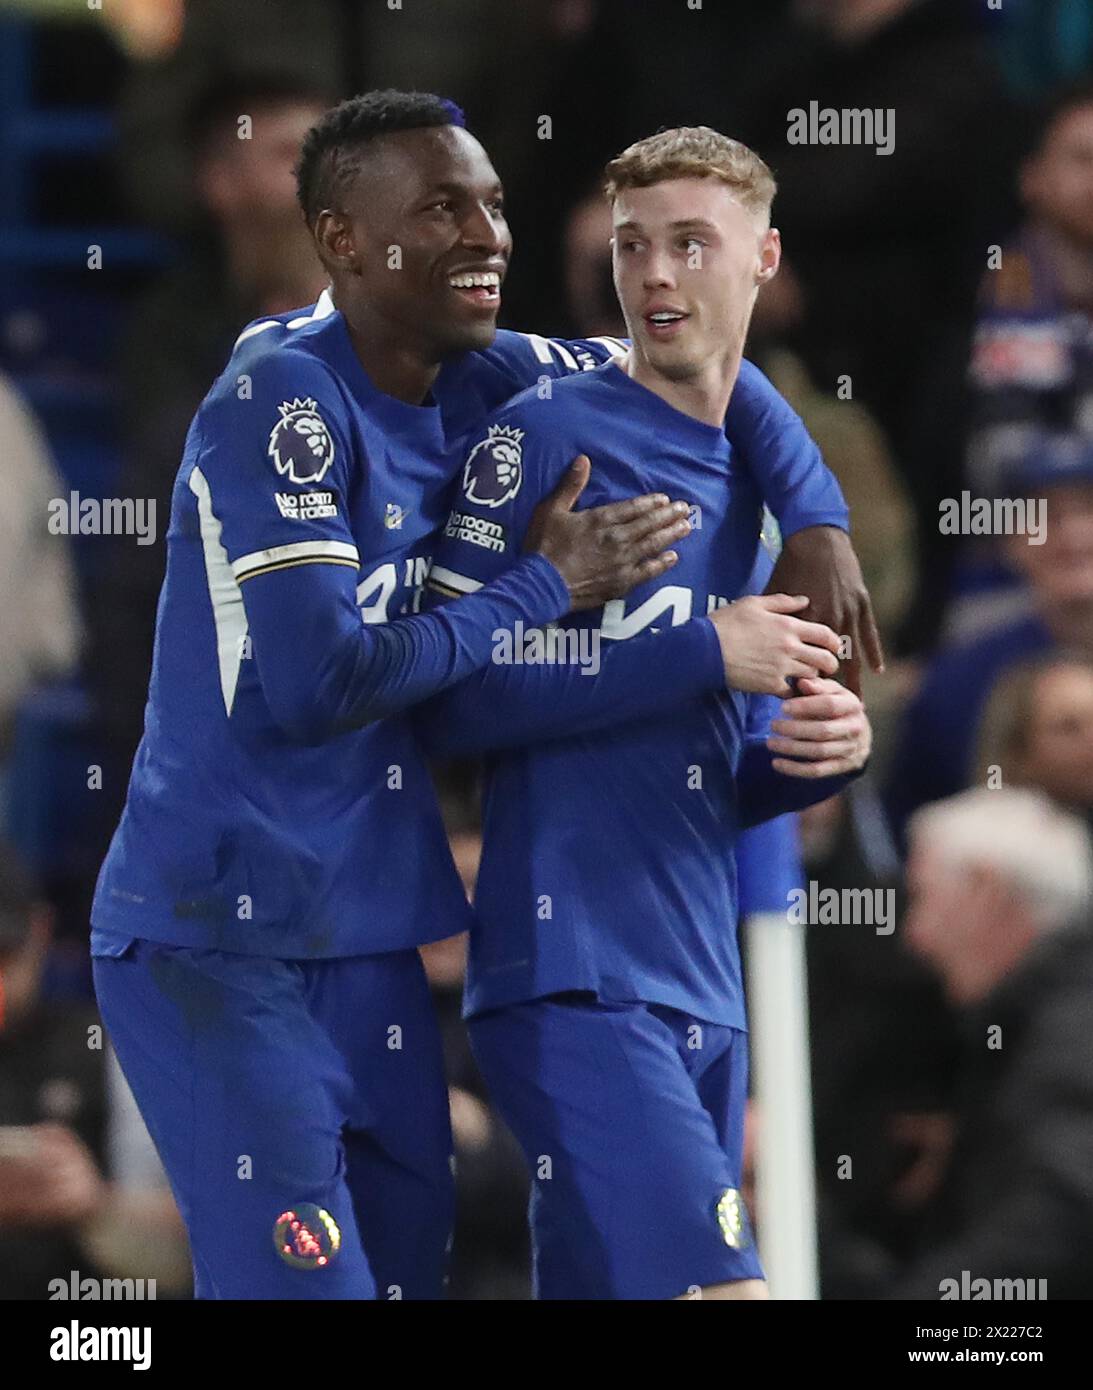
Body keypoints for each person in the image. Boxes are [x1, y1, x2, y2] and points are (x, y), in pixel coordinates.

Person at [90, 92, 866, 1302]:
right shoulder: (281, 398)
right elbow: (321, 682)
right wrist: (544, 587)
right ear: (345, 241)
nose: (488, 236)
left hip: (372, 932)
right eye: (442, 208)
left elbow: (699, 362)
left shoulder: (482, 369)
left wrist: (815, 514)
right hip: (217, 920)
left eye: (496, 204)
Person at [419, 126, 873, 1300]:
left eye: (689, 244)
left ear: (762, 258)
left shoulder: (759, 479)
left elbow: (701, 769)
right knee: (729, 1290)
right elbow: (447, 699)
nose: (656, 275)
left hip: (697, 975)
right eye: (632, 247)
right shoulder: (542, 436)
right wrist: (701, 649)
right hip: (568, 971)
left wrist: (810, 764)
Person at [891, 788, 1093, 1299]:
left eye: (921, 896)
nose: (914, 936)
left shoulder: (1068, 1037)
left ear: (984, 889)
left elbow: (1062, 1222)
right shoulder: (1038, 1021)